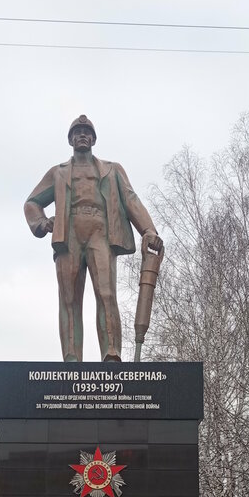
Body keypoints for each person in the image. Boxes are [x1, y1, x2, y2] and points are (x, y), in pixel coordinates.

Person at [24, 115, 163, 362]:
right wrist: (42, 223)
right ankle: (71, 358)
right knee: (69, 299)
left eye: (87, 132)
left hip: (101, 232)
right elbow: (32, 203)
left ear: (94, 139)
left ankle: (112, 354)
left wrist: (148, 230)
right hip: (69, 235)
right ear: (70, 140)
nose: (82, 135)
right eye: (77, 132)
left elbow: (131, 199)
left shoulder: (112, 169)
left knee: (106, 293)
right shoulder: (58, 172)